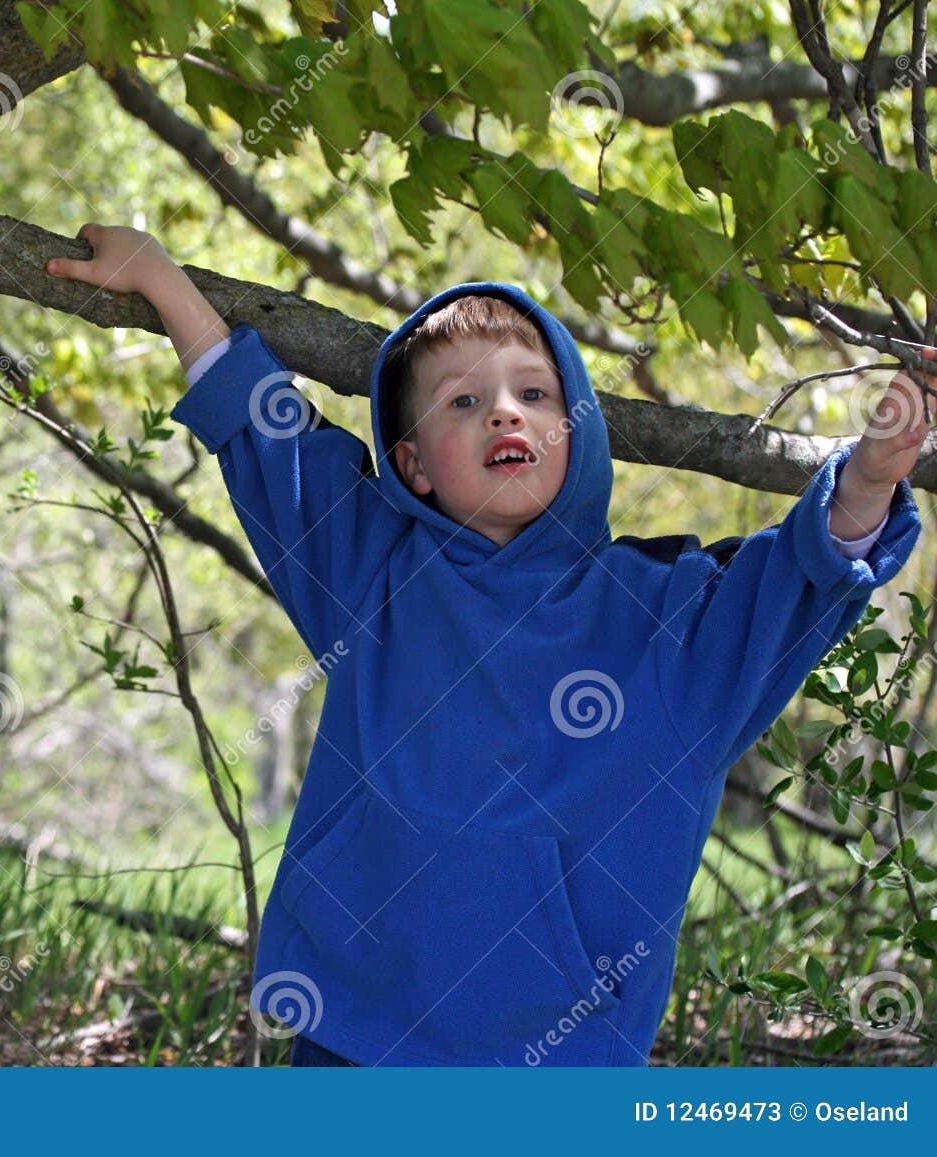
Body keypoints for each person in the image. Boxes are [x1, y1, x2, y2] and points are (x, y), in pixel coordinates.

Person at [47, 224, 929, 1066]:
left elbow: (800, 580)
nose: (504, 413)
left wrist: (874, 471)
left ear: (574, 428)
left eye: (533, 395)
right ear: (415, 461)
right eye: (463, 402)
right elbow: (262, 431)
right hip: (351, 1028)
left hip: (555, 1055)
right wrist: (162, 279)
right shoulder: (370, 570)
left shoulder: (668, 619)